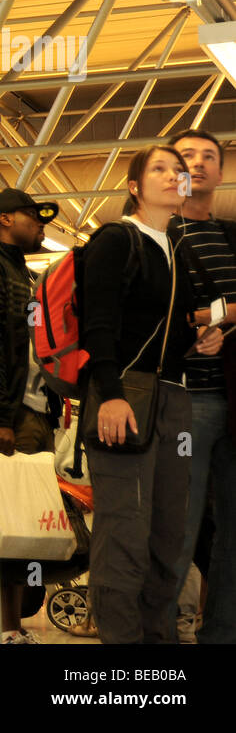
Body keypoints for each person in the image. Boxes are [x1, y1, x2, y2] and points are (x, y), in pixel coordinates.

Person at [82, 144, 219, 643]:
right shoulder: (116, 239)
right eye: (158, 169)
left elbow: (167, 332)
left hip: (174, 399)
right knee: (125, 532)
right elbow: (97, 324)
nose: (173, 176)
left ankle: (157, 647)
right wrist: (111, 393)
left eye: (178, 171)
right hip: (124, 397)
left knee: (169, 534)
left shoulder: (179, 248)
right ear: (135, 186)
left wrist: (201, 340)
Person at [166, 129, 236, 642]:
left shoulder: (233, 234)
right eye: (187, 155)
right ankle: (163, 632)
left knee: (232, 534)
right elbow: (161, 312)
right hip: (188, 399)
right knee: (178, 528)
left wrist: (221, 316)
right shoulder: (159, 235)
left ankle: (221, 633)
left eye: (210, 156)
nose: (199, 163)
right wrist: (226, 312)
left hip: (235, 398)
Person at [0, 187, 60, 643]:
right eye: (33, 217)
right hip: (13, 414)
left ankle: (13, 626)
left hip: (36, 411)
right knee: (5, 521)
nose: (41, 225)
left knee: (22, 521)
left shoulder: (21, 272)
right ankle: (2, 627)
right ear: (6, 218)